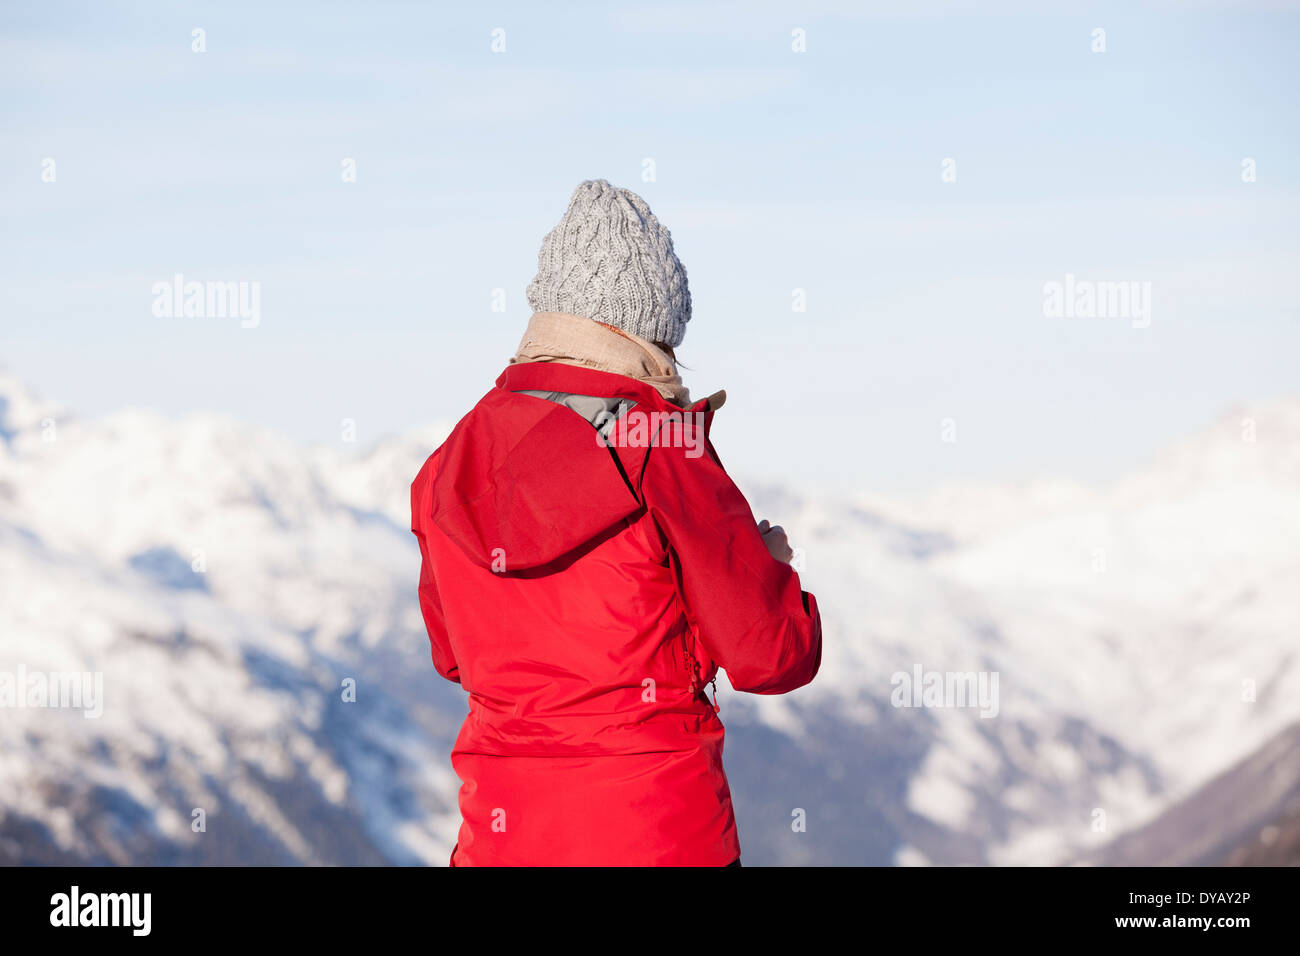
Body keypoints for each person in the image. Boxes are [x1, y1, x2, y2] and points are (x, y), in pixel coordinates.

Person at [410, 179, 822, 866]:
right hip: (658, 835)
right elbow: (769, 655)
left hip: (502, 837)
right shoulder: (662, 445)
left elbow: (454, 655)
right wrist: (768, 566)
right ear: (648, 328)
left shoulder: (452, 461)